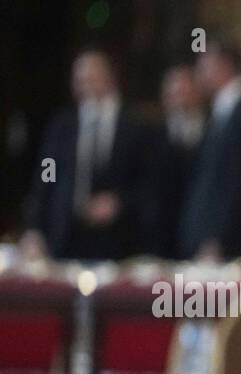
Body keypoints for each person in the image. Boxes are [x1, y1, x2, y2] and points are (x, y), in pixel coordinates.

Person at [21, 49, 152, 261]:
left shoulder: (137, 127)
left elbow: (150, 186)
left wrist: (119, 203)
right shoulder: (61, 127)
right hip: (65, 240)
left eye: (91, 78)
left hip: (121, 243)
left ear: (110, 79)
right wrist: (34, 230)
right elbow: (45, 180)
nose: (84, 86)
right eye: (79, 80)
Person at [178, 36, 241, 261]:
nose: (199, 73)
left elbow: (239, 181)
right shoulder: (220, 111)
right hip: (212, 236)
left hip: (231, 242)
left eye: (205, 65)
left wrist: (218, 238)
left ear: (225, 66)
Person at [154, 63, 206, 260]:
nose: (179, 98)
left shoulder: (214, 130)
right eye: (173, 93)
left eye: (184, 91)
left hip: (202, 232)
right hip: (163, 236)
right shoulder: (153, 135)